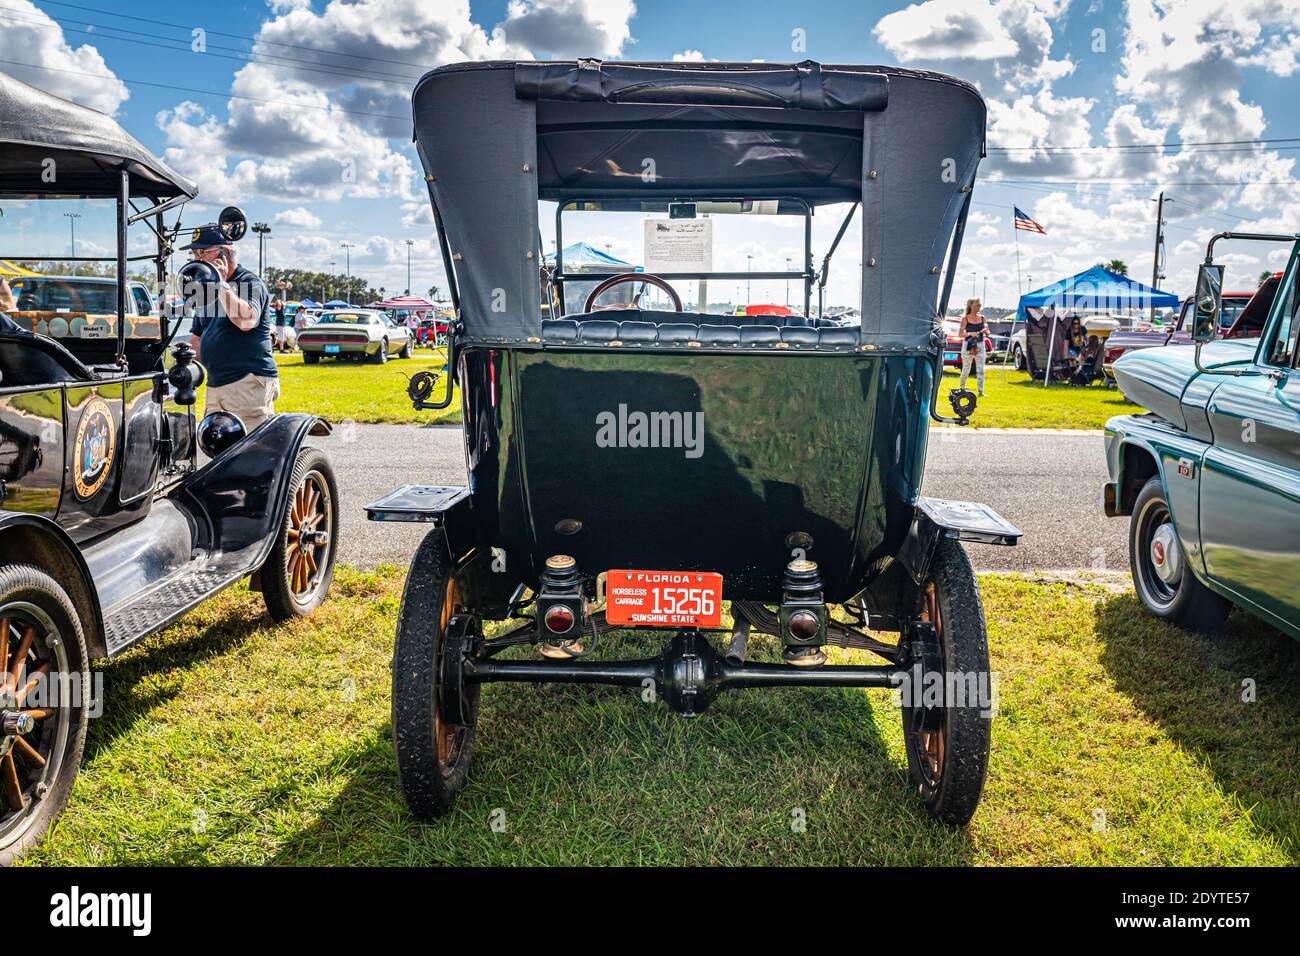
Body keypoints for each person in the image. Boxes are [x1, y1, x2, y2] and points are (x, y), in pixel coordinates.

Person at [185, 224, 278, 432]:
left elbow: (245, 321)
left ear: (224, 253)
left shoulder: (249, 282)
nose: (197, 259)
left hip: (247, 381)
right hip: (216, 384)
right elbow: (198, 338)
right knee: (217, 449)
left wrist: (221, 285)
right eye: (194, 253)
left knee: (248, 453)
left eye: (202, 252)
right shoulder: (205, 290)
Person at [959, 297, 987, 396]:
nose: (979, 307)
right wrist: (970, 333)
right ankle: (961, 388)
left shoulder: (983, 318)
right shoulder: (965, 318)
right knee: (966, 369)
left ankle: (980, 391)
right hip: (968, 345)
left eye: (980, 305)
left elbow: (988, 331)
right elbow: (960, 334)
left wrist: (985, 331)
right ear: (971, 306)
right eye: (977, 305)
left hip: (980, 345)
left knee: (981, 369)